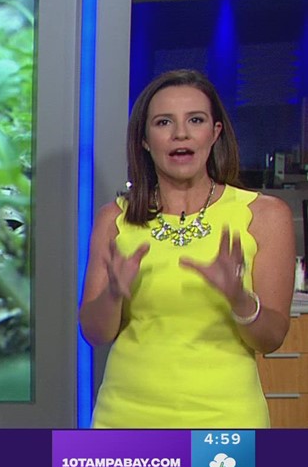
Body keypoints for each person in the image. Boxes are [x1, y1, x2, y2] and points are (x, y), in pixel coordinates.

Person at [79, 69, 294, 428]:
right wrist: (114, 293)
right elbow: (95, 334)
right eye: (164, 122)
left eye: (195, 120)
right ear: (145, 140)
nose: (181, 133)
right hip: (126, 419)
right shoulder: (114, 218)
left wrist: (239, 299)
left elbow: (271, 339)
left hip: (226, 422)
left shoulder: (265, 215)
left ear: (215, 132)